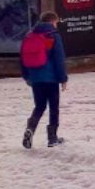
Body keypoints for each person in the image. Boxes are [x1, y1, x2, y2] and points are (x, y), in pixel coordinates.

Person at [20, 11, 69, 149]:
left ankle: (30, 128)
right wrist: (63, 78)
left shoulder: (29, 36)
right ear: (53, 21)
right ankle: (52, 138)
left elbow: (22, 58)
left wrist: (27, 76)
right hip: (51, 78)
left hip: (35, 78)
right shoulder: (52, 35)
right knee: (54, 107)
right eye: (56, 23)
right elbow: (59, 59)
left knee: (39, 106)